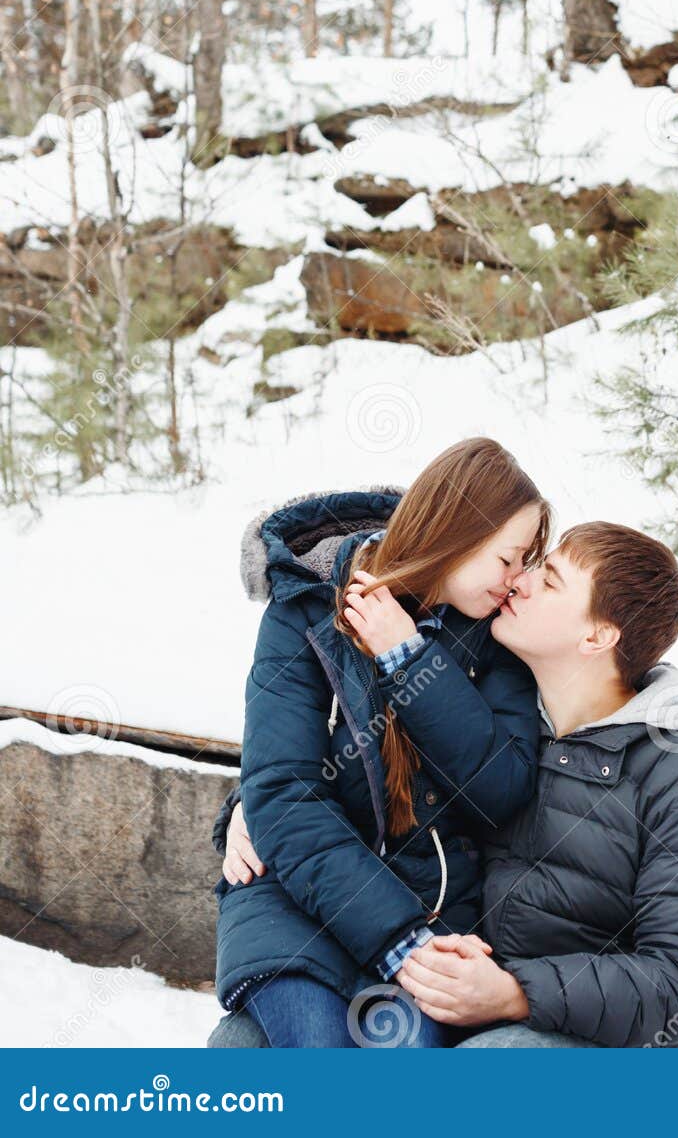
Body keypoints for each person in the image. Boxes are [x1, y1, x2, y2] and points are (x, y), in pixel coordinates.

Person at [217, 519, 678, 1049]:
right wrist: (252, 804)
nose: (519, 581)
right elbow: (364, 767)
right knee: (241, 1044)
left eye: (549, 581)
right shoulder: (495, 723)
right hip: (452, 996)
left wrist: (516, 994)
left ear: (597, 636)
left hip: (584, 1039)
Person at [210, 437, 550, 1048]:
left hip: (431, 912)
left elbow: (501, 789)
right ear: (458, 533)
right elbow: (284, 791)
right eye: (510, 558)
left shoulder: (499, 638)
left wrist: (409, 659)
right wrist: (397, 940)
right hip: (298, 907)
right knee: (318, 1047)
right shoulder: (306, 606)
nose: (517, 579)